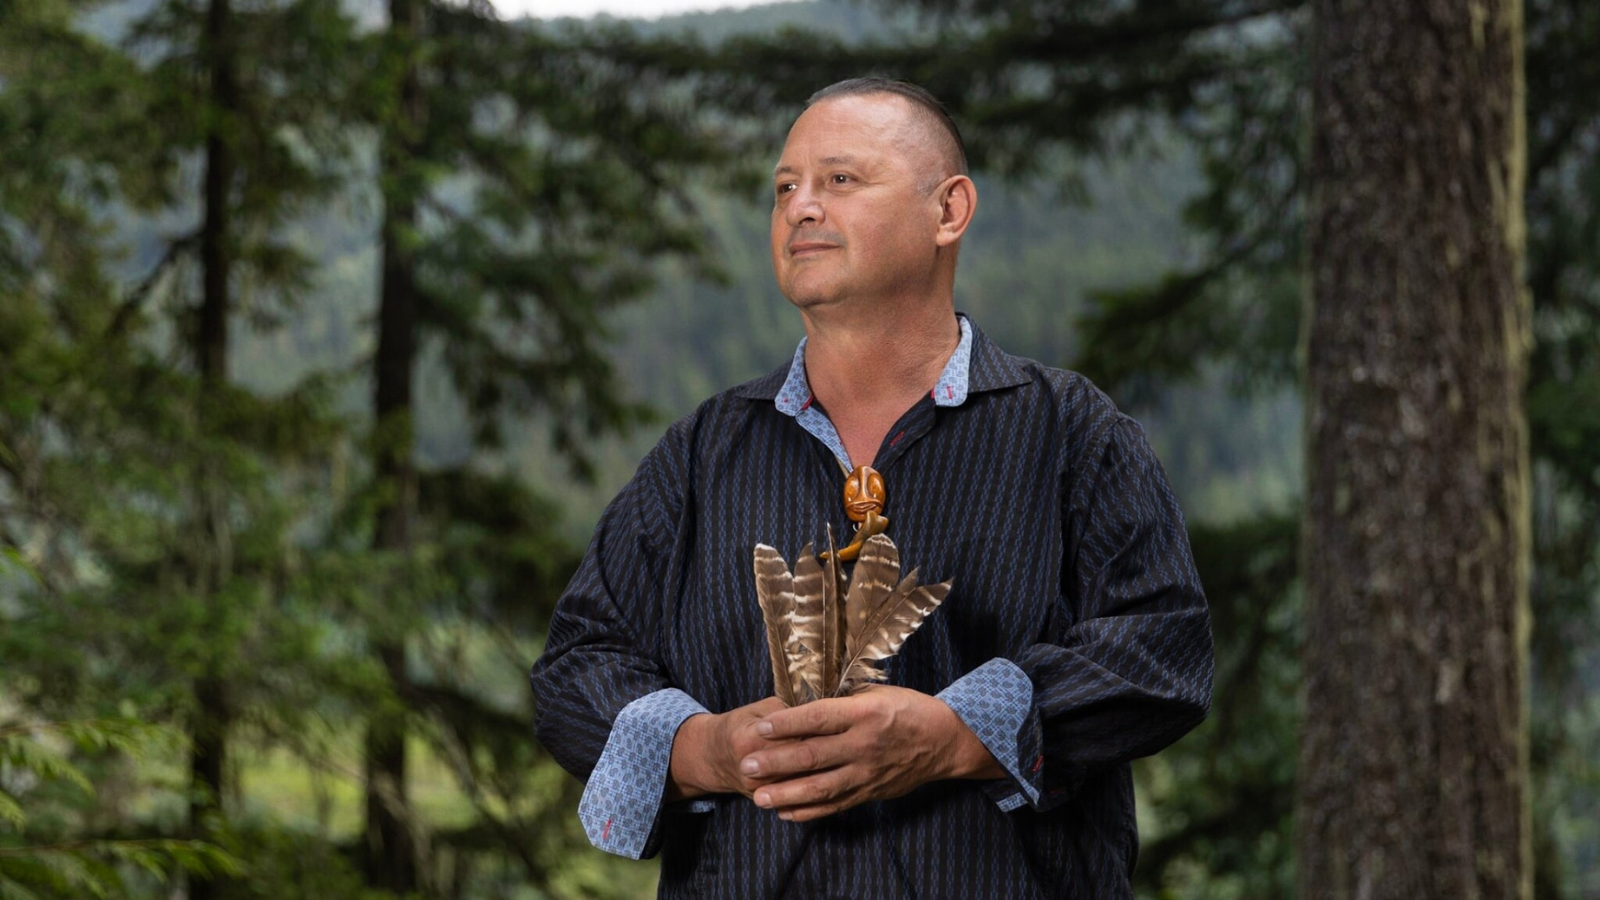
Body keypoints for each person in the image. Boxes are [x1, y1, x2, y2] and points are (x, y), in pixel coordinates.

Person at [529, 77, 1213, 899]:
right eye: (785, 189)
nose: (800, 208)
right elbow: (577, 662)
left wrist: (958, 734)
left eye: (840, 180)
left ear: (948, 211)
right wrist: (704, 748)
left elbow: (1163, 646)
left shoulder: (1070, 432)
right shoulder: (704, 451)